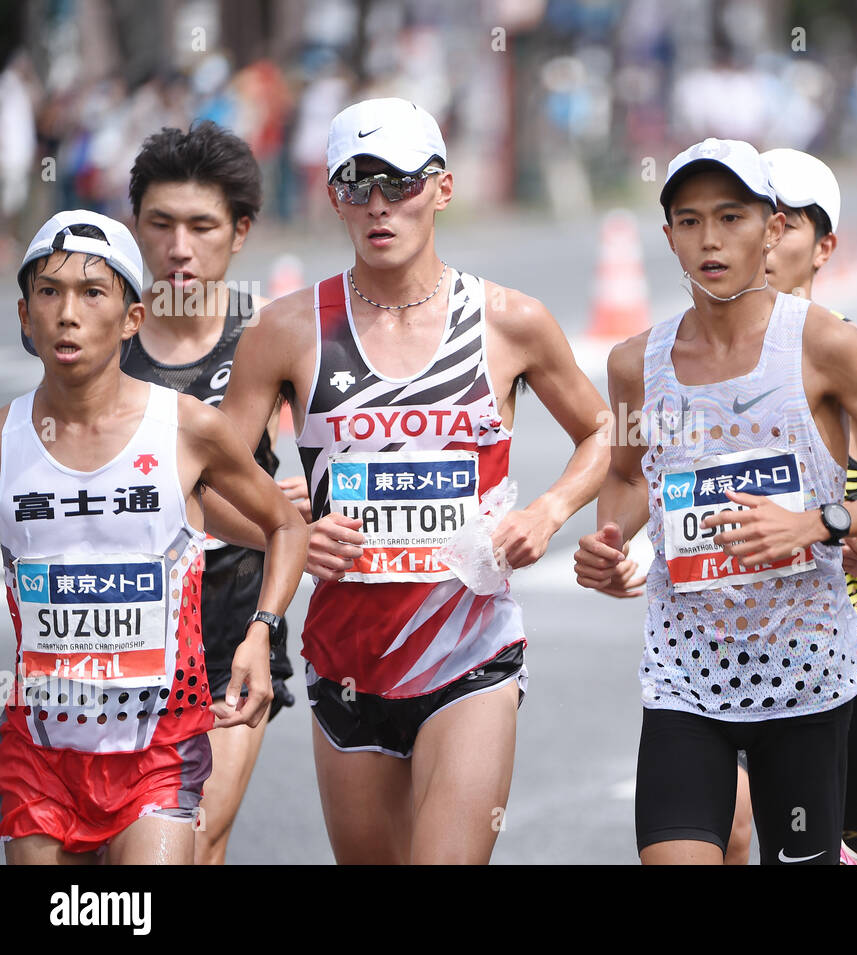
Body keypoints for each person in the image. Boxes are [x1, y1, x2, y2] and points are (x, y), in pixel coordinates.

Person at [218, 98, 609, 864]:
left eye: (399, 182)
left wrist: (551, 509)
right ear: (332, 196)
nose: (378, 205)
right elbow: (209, 485)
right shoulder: (288, 329)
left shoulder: (509, 320)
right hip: (347, 662)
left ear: (443, 187)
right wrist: (284, 526)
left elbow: (603, 431)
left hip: (472, 655)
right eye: (356, 184)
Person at [574, 138, 857, 865]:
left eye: (732, 217)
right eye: (689, 221)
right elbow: (625, 476)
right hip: (685, 677)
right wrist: (610, 541)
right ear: (668, 237)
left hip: (806, 677)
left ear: (772, 229)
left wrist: (816, 523)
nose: (710, 240)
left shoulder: (824, 345)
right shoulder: (635, 364)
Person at [0, 210, 307, 864]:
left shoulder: (185, 428)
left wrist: (261, 631)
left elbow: (282, 524)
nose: (67, 313)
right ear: (25, 317)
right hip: (39, 755)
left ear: (133, 317)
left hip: (159, 752)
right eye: (48, 293)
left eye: (92, 292)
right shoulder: (5, 439)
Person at [720, 147, 857, 865]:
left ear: (824, 246)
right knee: (731, 830)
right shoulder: (691, 358)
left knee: (845, 852)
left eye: (784, 226)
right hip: (720, 653)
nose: (763, 243)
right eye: (747, 221)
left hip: (840, 662)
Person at [123, 120, 308, 865]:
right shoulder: (100, 338)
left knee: (192, 833)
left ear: (240, 233)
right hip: (122, 628)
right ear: (135, 225)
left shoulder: (268, 341)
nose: (179, 248)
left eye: (202, 226)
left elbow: (350, 452)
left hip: (233, 623)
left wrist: (300, 504)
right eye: (160, 224)